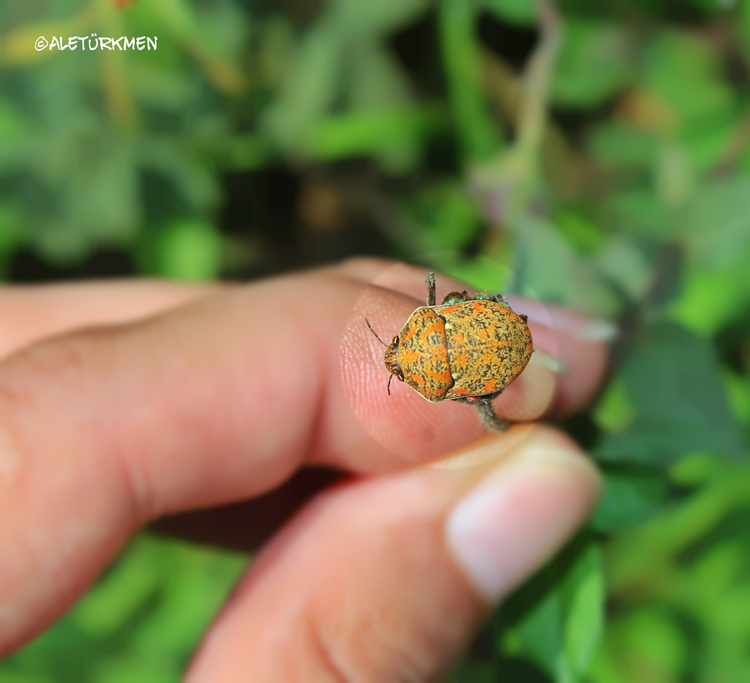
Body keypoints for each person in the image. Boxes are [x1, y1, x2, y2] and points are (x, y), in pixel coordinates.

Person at [0, 259, 609, 681]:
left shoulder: (436, 361)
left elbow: (444, 346)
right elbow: (446, 323)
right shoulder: (433, 342)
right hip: (481, 340)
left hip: (481, 347)